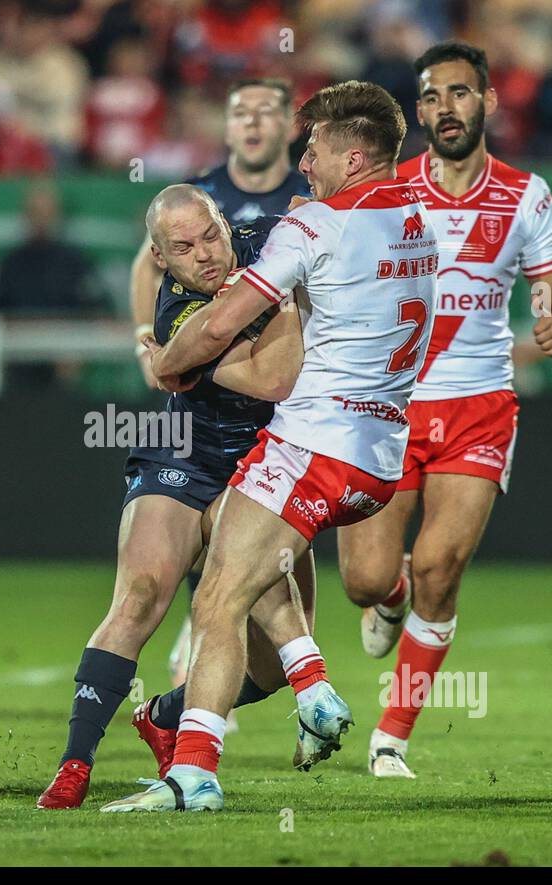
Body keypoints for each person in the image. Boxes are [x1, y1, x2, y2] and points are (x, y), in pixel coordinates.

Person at [102, 80, 437, 813]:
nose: (303, 159)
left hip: (311, 446)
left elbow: (221, 326)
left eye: (313, 147)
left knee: (218, 598)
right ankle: (307, 684)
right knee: (255, 584)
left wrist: (162, 358)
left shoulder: (311, 228)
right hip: (381, 459)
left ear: (352, 155)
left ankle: (195, 774)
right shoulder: (420, 218)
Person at [36, 186, 352, 809]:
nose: (206, 255)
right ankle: (75, 764)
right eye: (184, 248)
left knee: (266, 668)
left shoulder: (269, 237)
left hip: (275, 457)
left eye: (211, 235)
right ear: (160, 257)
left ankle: (165, 716)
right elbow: (273, 378)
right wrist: (289, 301)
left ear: (223, 223)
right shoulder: (177, 317)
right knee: (142, 595)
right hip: (188, 451)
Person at [338, 41, 552, 779]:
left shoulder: (527, 196)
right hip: (388, 407)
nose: (446, 108)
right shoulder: (388, 192)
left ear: (488, 102)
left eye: (460, 93)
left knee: (442, 568)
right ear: (418, 112)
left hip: (480, 405)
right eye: (432, 97)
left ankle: (391, 737)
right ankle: (385, 598)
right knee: (365, 579)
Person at [128, 77, 309, 691]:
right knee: (231, 589)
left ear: (288, 127)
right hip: (236, 428)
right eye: (241, 112)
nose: (253, 123)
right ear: (228, 126)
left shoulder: (307, 198)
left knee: (335, 589)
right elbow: (145, 266)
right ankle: (197, 732)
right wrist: (148, 342)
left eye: (266, 112)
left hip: (306, 423)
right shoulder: (200, 196)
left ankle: (380, 590)